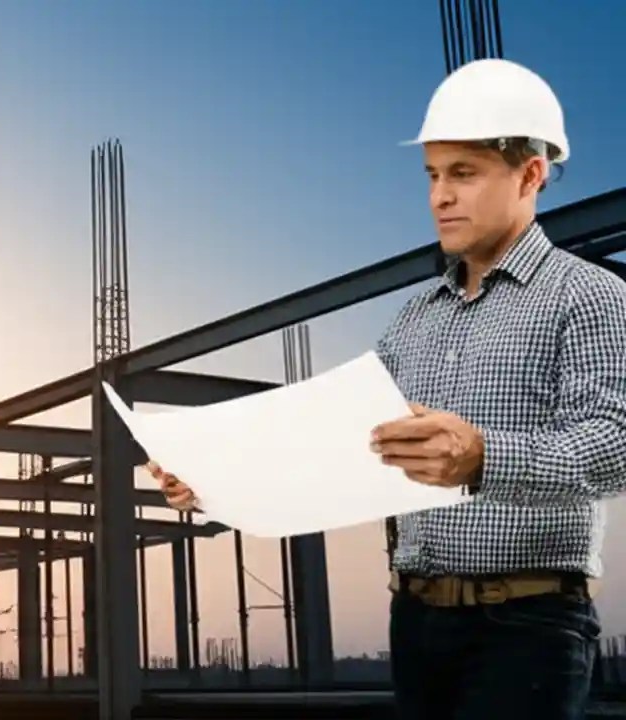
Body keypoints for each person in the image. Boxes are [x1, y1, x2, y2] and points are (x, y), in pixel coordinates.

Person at [149, 57, 626, 719]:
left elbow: (615, 446)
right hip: (417, 623)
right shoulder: (415, 318)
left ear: (531, 174)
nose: (440, 196)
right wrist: (210, 483)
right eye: (432, 175)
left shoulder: (590, 297)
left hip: (528, 627)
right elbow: (346, 446)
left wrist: (484, 457)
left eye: (464, 173)